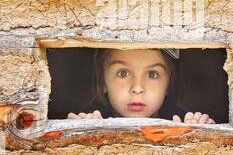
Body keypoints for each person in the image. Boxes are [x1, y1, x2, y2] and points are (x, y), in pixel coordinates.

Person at [67, 48, 215, 124]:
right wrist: (77, 132)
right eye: (123, 73)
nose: (137, 88)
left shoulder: (182, 121)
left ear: (168, 83)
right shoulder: (91, 119)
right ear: (103, 82)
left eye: (152, 74)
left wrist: (202, 131)